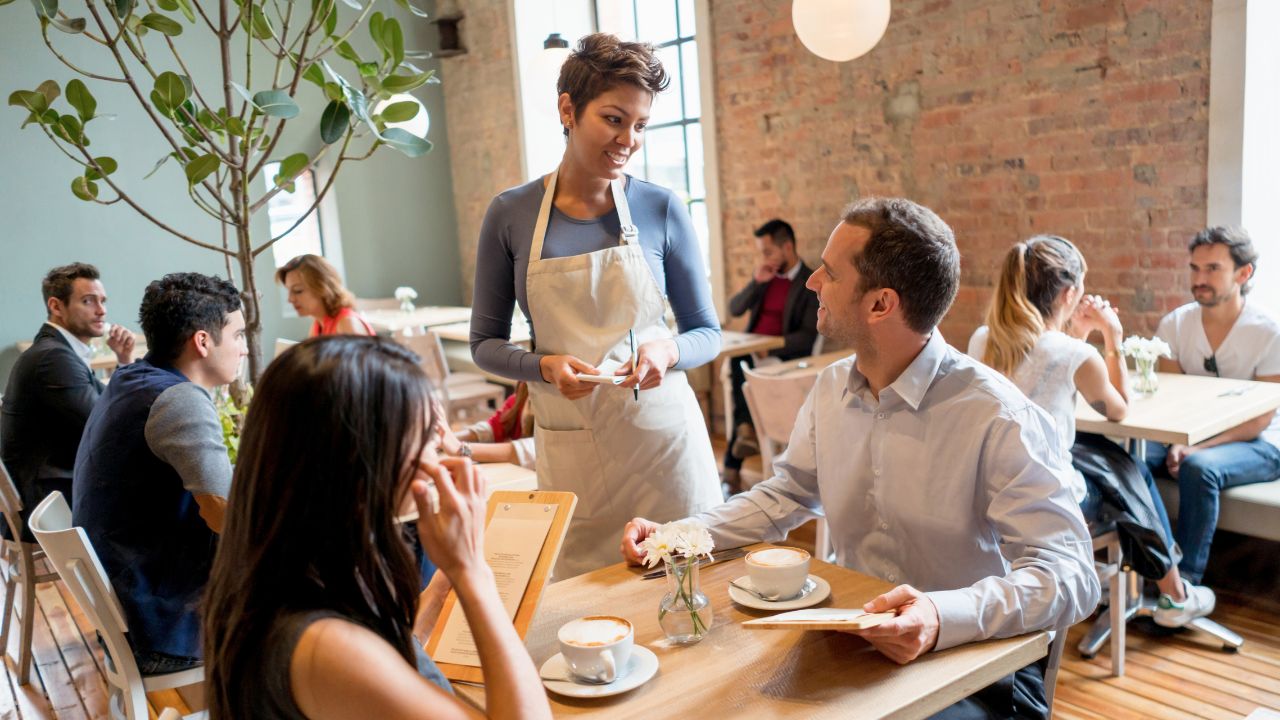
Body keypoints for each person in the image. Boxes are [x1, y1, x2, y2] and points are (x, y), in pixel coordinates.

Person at [620, 198, 1099, 719]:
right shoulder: (830, 389)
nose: (810, 283)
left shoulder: (998, 415)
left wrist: (940, 615)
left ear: (880, 305)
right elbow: (785, 495)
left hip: (973, 669)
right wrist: (675, 537)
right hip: (852, 645)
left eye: (828, 272)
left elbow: (1071, 575)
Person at [469, 33, 722, 577]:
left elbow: (707, 331)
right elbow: (483, 344)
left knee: (687, 606)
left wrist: (667, 352)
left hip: (666, 453)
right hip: (573, 455)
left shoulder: (660, 208)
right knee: (585, 615)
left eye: (640, 125)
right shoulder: (510, 214)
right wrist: (542, 366)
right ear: (568, 109)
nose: (628, 139)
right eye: (613, 119)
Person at [203, 336, 550, 720]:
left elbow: (389, 660)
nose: (439, 448)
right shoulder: (325, 648)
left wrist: (439, 589)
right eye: (425, 434)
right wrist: (472, 573)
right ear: (364, 459)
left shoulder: (282, 572)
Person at [968, 235, 1214, 627]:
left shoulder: (983, 339)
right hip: (1047, 497)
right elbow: (1119, 409)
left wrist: (1077, 336)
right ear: (1068, 294)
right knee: (1127, 471)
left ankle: (1136, 584)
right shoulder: (1074, 354)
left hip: (988, 488)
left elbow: (1046, 382)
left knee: (1110, 460)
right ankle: (1171, 591)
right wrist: (1111, 336)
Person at [73, 272, 245, 674]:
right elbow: (226, 515)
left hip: (133, 605)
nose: (244, 349)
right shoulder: (178, 399)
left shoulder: (132, 378)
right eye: (237, 336)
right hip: (165, 623)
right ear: (202, 342)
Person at [1147, 226, 1280, 598]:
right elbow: (1170, 400)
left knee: (1199, 468)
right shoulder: (1175, 324)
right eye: (1194, 269)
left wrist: (1197, 448)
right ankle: (1154, 564)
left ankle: (1184, 588)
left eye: (1212, 269)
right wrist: (1177, 441)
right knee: (1130, 458)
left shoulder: (1268, 332)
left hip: (1261, 443)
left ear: (1244, 273)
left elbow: (1260, 418)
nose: (1199, 279)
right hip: (1189, 436)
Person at [1, 263, 134, 539]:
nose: (102, 310)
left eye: (103, 301)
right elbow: (107, 425)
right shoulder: (53, 358)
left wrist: (123, 361)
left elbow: (105, 405)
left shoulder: (56, 351)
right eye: (88, 301)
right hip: (46, 505)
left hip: (45, 491)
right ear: (56, 306)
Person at [723, 219, 819, 491]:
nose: (764, 259)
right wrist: (756, 281)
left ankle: (733, 463)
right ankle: (745, 429)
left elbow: (808, 335)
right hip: (750, 354)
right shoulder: (765, 279)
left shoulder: (808, 283)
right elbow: (735, 308)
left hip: (781, 358)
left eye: (768, 252)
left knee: (742, 366)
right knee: (738, 359)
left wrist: (773, 345)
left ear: (787, 247)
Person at [438, 382, 536, 469]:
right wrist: (444, 438)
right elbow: (495, 426)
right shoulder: (524, 392)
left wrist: (460, 449)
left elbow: (532, 450)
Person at [276, 254, 374, 337]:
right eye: (289, 291)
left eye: (298, 291)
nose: (290, 299)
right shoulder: (317, 326)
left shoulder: (346, 324)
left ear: (322, 288)